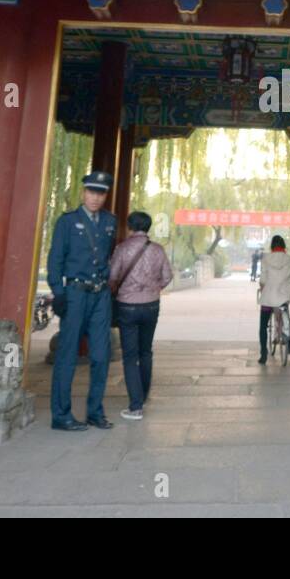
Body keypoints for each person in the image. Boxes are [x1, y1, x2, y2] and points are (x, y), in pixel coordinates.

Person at [45, 171, 118, 431]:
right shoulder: (67, 222)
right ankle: (61, 415)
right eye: (91, 192)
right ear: (83, 192)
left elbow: (107, 256)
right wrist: (58, 292)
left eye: (100, 193)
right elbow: (55, 260)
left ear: (105, 196)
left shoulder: (110, 221)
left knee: (100, 355)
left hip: (100, 296)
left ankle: (95, 412)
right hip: (75, 294)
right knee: (67, 355)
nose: (95, 198)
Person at [108, 211, 174, 421]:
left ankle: (135, 406)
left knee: (130, 355)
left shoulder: (123, 248)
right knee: (146, 351)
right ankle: (143, 395)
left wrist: (124, 289)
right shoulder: (157, 249)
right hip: (151, 305)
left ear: (129, 227)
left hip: (127, 306)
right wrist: (153, 288)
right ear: (148, 227)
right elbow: (167, 276)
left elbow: (113, 276)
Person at [257, 235, 290, 364]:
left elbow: (263, 279)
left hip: (268, 298)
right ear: (284, 246)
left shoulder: (266, 258)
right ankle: (289, 343)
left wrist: (262, 287)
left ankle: (263, 354)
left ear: (272, 246)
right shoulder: (289, 260)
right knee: (287, 318)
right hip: (283, 297)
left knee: (263, 326)